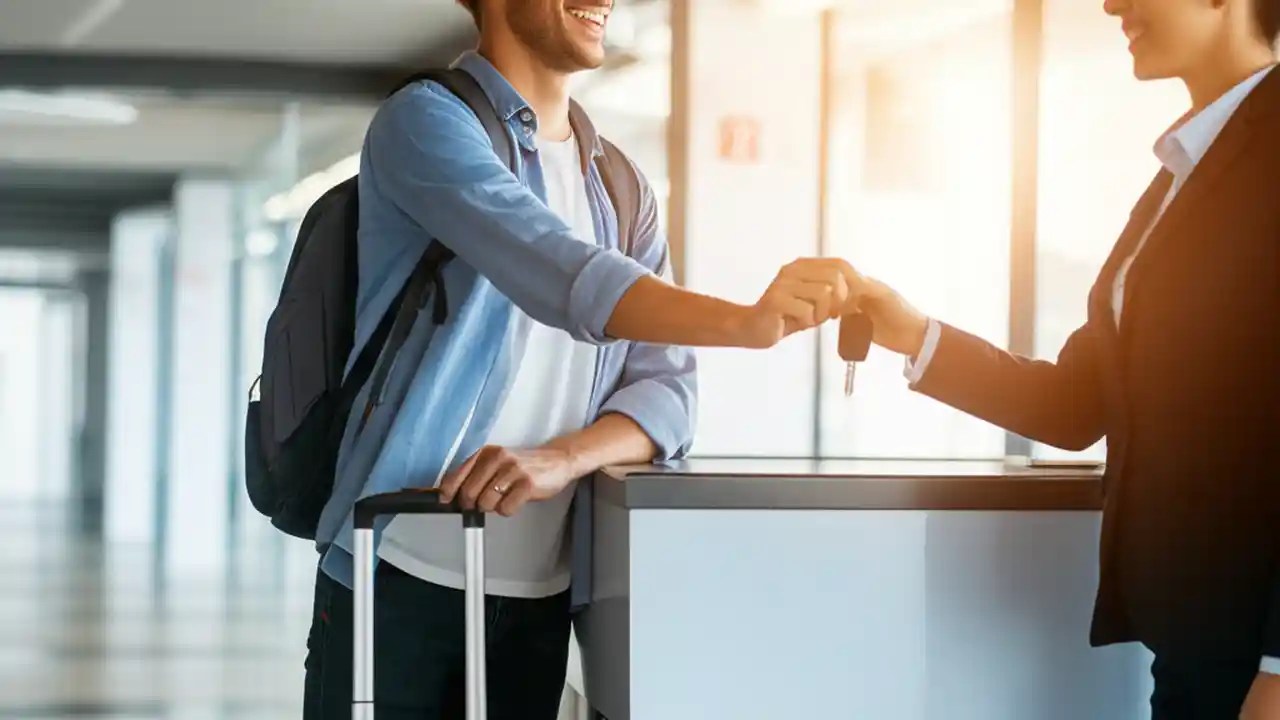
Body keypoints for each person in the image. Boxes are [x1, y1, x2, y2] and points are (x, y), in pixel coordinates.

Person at [300, 1, 856, 718]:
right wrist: (746, 323)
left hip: (541, 594)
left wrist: (561, 458)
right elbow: (560, 275)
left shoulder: (619, 183)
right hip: (399, 572)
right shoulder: (426, 122)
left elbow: (667, 390)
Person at [844, 0, 1280, 717]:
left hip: (1255, 661)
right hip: (1194, 643)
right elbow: (1078, 403)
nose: (1112, 3)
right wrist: (915, 333)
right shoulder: (1183, 173)